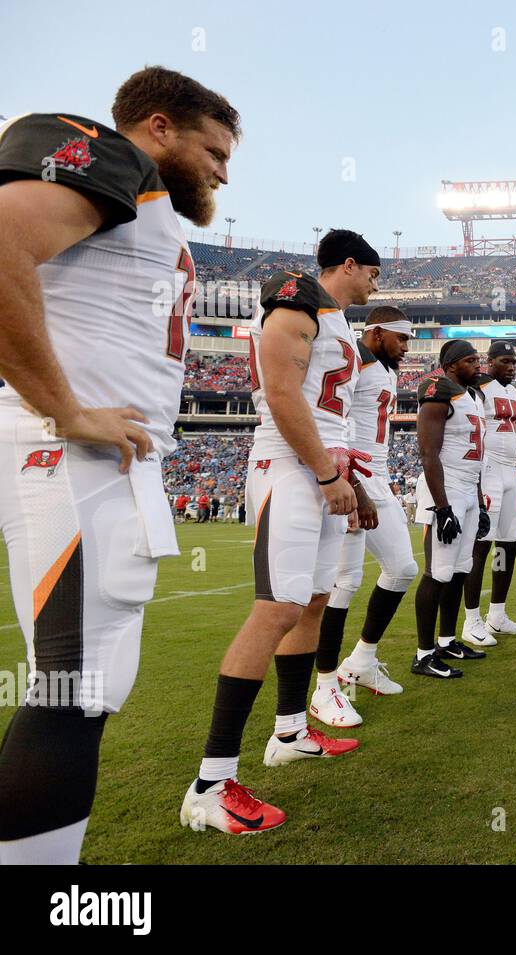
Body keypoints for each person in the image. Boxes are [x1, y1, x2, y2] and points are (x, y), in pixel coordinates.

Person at [0, 66, 239, 863]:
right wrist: (64, 406)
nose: (223, 171)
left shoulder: (146, 205)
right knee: (73, 689)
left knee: (92, 686)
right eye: (215, 149)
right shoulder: (116, 160)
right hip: (68, 451)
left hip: (101, 461)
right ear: (160, 126)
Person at [181, 230, 382, 834]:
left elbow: (332, 413)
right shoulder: (296, 298)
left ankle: (291, 731)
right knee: (277, 608)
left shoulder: (337, 320)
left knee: (312, 603)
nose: (376, 283)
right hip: (291, 465)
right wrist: (325, 473)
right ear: (348, 263)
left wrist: (349, 485)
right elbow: (281, 390)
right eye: (372, 271)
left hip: (324, 467)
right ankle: (210, 784)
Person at [313, 306, 419, 724]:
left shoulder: (384, 367)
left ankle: (361, 662)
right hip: (353, 473)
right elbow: (333, 421)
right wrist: (351, 483)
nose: (407, 348)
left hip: (379, 474)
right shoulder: (355, 357)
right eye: (402, 338)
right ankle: (324, 688)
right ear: (376, 333)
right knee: (344, 581)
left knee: (402, 568)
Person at [411, 341, 491, 676]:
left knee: (460, 570)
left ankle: (446, 640)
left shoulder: (474, 397)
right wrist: (443, 508)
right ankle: (423, 654)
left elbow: (476, 458)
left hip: (468, 490)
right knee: (438, 573)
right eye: (471, 360)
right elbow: (429, 453)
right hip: (445, 490)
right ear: (452, 364)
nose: (478, 365)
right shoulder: (438, 390)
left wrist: (480, 501)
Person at [461, 341, 516, 645]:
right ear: (489, 362)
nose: (511, 366)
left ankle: (496, 615)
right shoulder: (479, 385)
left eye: (514, 362)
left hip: (510, 473)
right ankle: (471, 620)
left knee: (508, 544)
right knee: (481, 546)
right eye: (504, 361)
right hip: (487, 471)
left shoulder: (513, 393)